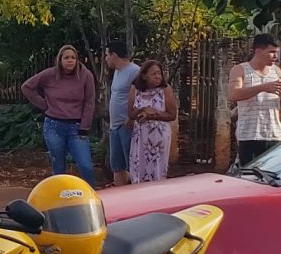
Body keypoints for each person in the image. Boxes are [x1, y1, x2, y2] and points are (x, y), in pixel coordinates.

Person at [21, 44, 98, 182]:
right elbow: (27, 87)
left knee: (86, 165)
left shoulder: (86, 75)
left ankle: (92, 197)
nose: (70, 60)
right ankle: (60, 198)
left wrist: (85, 127)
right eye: (66, 57)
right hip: (54, 125)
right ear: (60, 60)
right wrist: (44, 104)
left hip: (77, 127)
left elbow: (89, 101)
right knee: (59, 167)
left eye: (73, 58)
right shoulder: (50, 74)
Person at [227, 33, 281, 166]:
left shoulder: (276, 72)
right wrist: (263, 87)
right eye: (272, 52)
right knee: (250, 176)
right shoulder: (240, 70)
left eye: (277, 52)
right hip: (249, 134)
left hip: (274, 134)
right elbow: (233, 94)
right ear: (258, 51)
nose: (275, 57)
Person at [127, 58, 176, 183]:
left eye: (159, 73)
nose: (157, 77)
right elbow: (131, 113)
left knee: (158, 170)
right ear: (144, 76)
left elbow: (172, 115)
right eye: (153, 74)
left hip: (159, 139)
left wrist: (153, 115)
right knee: (139, 169)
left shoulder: (165, 89)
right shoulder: (135, 89)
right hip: (141, 138)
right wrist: (142, 110)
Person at [102, 41, 139, 186]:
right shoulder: (117, 72)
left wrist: (132, 118)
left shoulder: (134, 71)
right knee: (117, 166)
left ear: (114, 55)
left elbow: (140, 96)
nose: (106, 59)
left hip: (127, 125)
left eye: (107, 55)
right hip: (115, 126)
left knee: (132, 164)